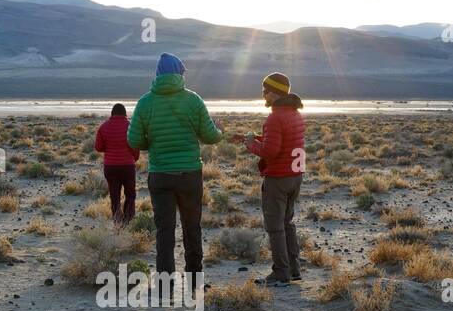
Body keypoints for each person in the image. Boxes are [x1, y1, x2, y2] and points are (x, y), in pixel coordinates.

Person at [126, 53, 223, 297]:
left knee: (165, 231)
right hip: (190, 174)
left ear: (158, 75)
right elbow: (210, 136)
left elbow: (134, 140)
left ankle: (164, 287)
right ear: (180, 74)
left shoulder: (145, 103)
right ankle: (194, 285)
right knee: (193, 228)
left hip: (160, 174)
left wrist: (154, 142)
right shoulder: (193, 100)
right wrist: (219, 130)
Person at [234, 72, 306, 285]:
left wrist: (250, 145)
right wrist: (255, 137)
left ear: (274, 93)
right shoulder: (294, 114)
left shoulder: (275, 117)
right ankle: (294, 269)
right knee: (287, 223)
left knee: (275, 228)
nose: (263, 94)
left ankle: (280, 274)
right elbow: (283, 142)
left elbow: (271, 152)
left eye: (265, 90)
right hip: (295, 176)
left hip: (278, 178)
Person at [94, 102, 139, 225]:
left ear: (112, 114)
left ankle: (117, 221)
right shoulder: (130, 126)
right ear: (125, 114)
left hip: (110, 167)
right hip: (127, 166)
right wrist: (134, 157)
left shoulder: (103, 127)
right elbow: (135, 145)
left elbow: (98, 147)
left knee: (114, 195)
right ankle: (128, 220)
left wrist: (109, 149)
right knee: (130, 194)